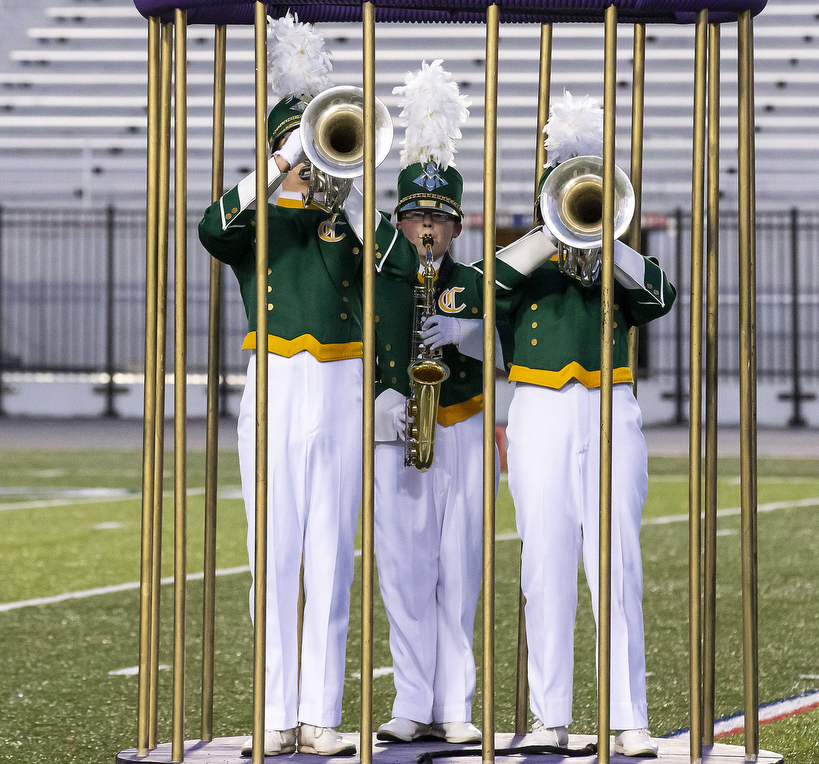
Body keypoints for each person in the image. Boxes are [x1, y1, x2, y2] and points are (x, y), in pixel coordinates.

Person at [196, 15, 417, 758]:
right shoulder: (256, 221)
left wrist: (344, 197)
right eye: (303, 145)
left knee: (329, 553)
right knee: (272, 551)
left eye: (319, 142)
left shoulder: (349, 226)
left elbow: (396, 274)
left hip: (342, 385)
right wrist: (282, 159)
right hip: (275, 382)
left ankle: (319, 714)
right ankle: (274, 711)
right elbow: (213, 228)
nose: (315, 158)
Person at [368, 60, 557, 746]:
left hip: (466, 431)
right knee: (402, 570)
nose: (426, 227)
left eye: (438, 219)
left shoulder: (478, 279)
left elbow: (512, 317)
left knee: (460, 570)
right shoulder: (378, 278)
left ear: (456, 228)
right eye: (415, 216)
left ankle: (454, 703)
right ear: (399, 221)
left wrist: (465, 331)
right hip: (400, 433)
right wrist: (380, 404)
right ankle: (410, 699)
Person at [504, 92, 677, 758]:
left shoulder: (617, 262)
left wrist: (607, 240)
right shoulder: (524, 261)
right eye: (569, 196)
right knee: (544, 564)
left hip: (610, 406)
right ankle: (550, 716)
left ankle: (628, 717)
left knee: (617, 561)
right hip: (539, 408)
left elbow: (662, 294)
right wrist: (550, 237)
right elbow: (475, 287)